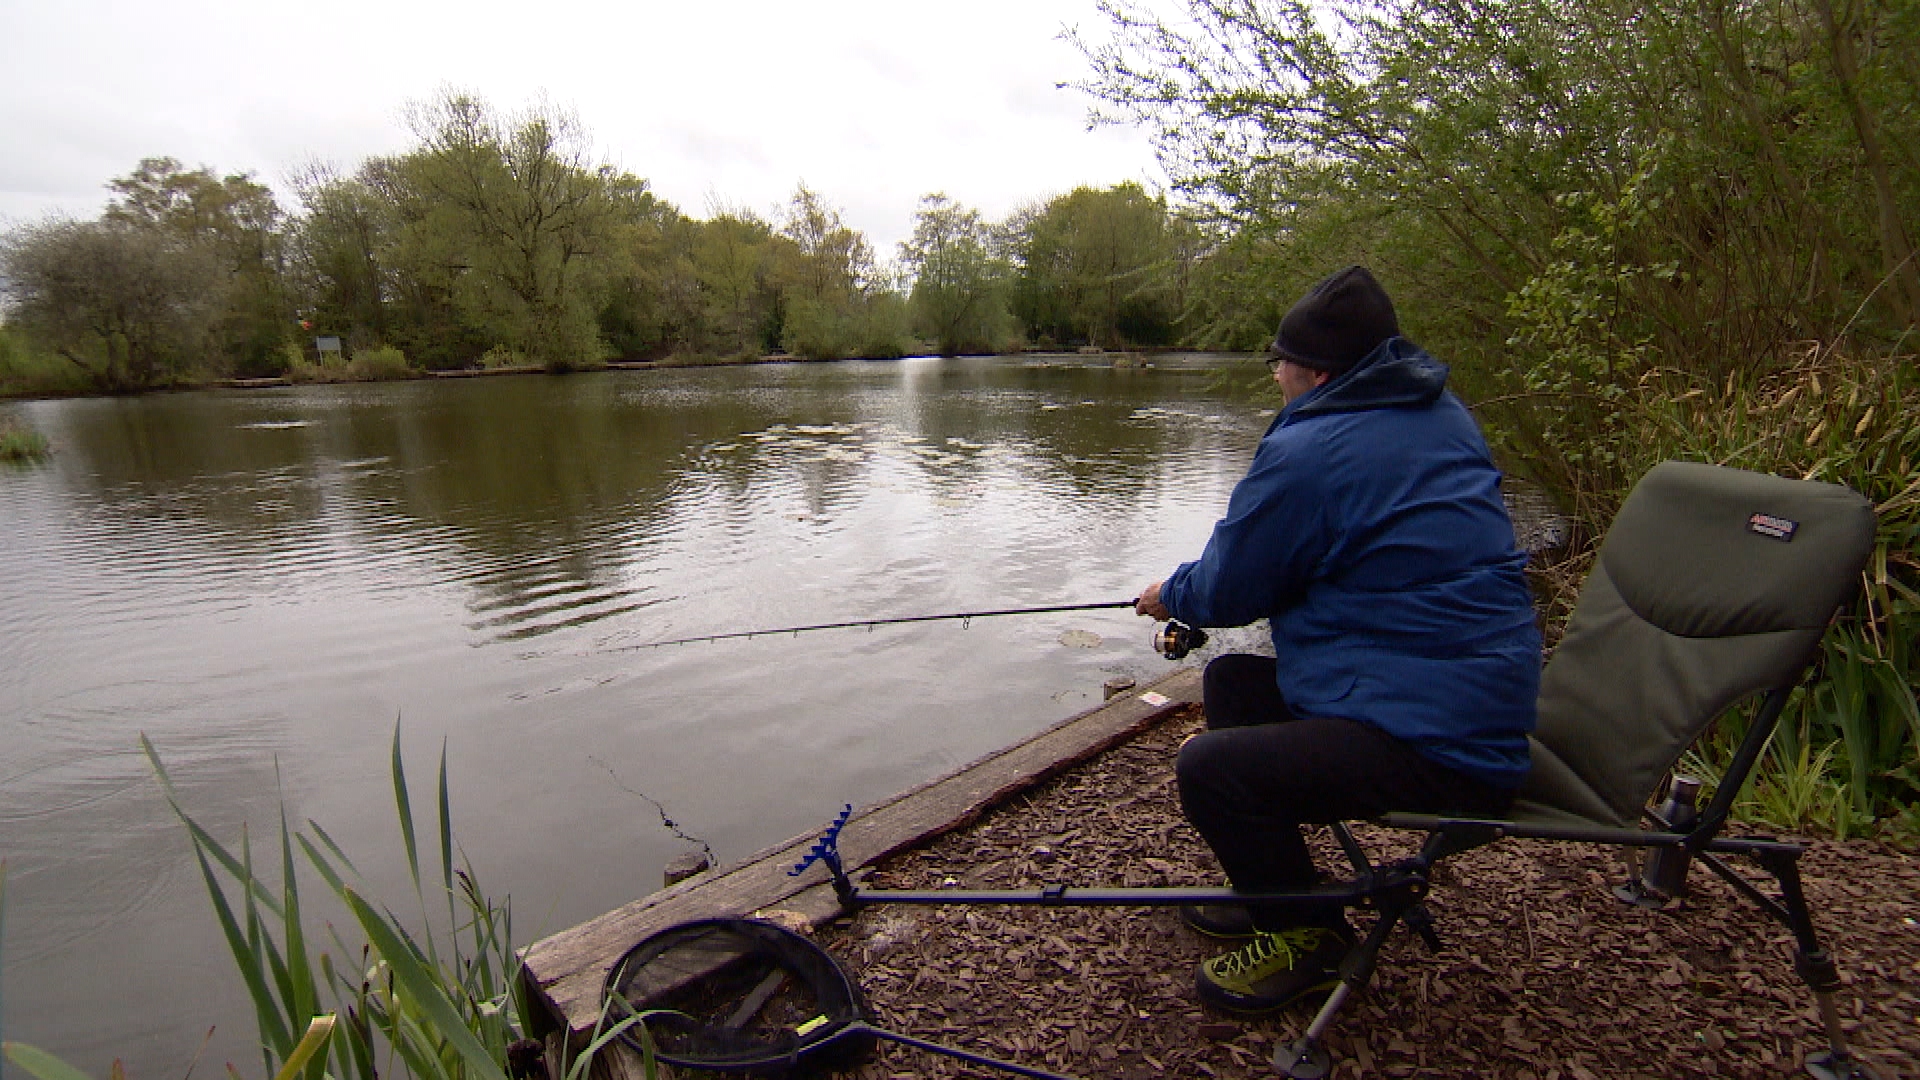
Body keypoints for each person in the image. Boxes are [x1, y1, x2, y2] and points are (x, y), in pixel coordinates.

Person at [1133, 265, 1541, 1014]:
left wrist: (1170, 596)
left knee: (1211, 769)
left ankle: (1308, 941)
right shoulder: (1438, 410)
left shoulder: (1311, 453)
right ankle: (1275, 887)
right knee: (1231, 683)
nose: (1276, 375)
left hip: (1445, 747)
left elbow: (1229, 587)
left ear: (1315, 372)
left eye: (1278, 362)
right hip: (1461, 691)